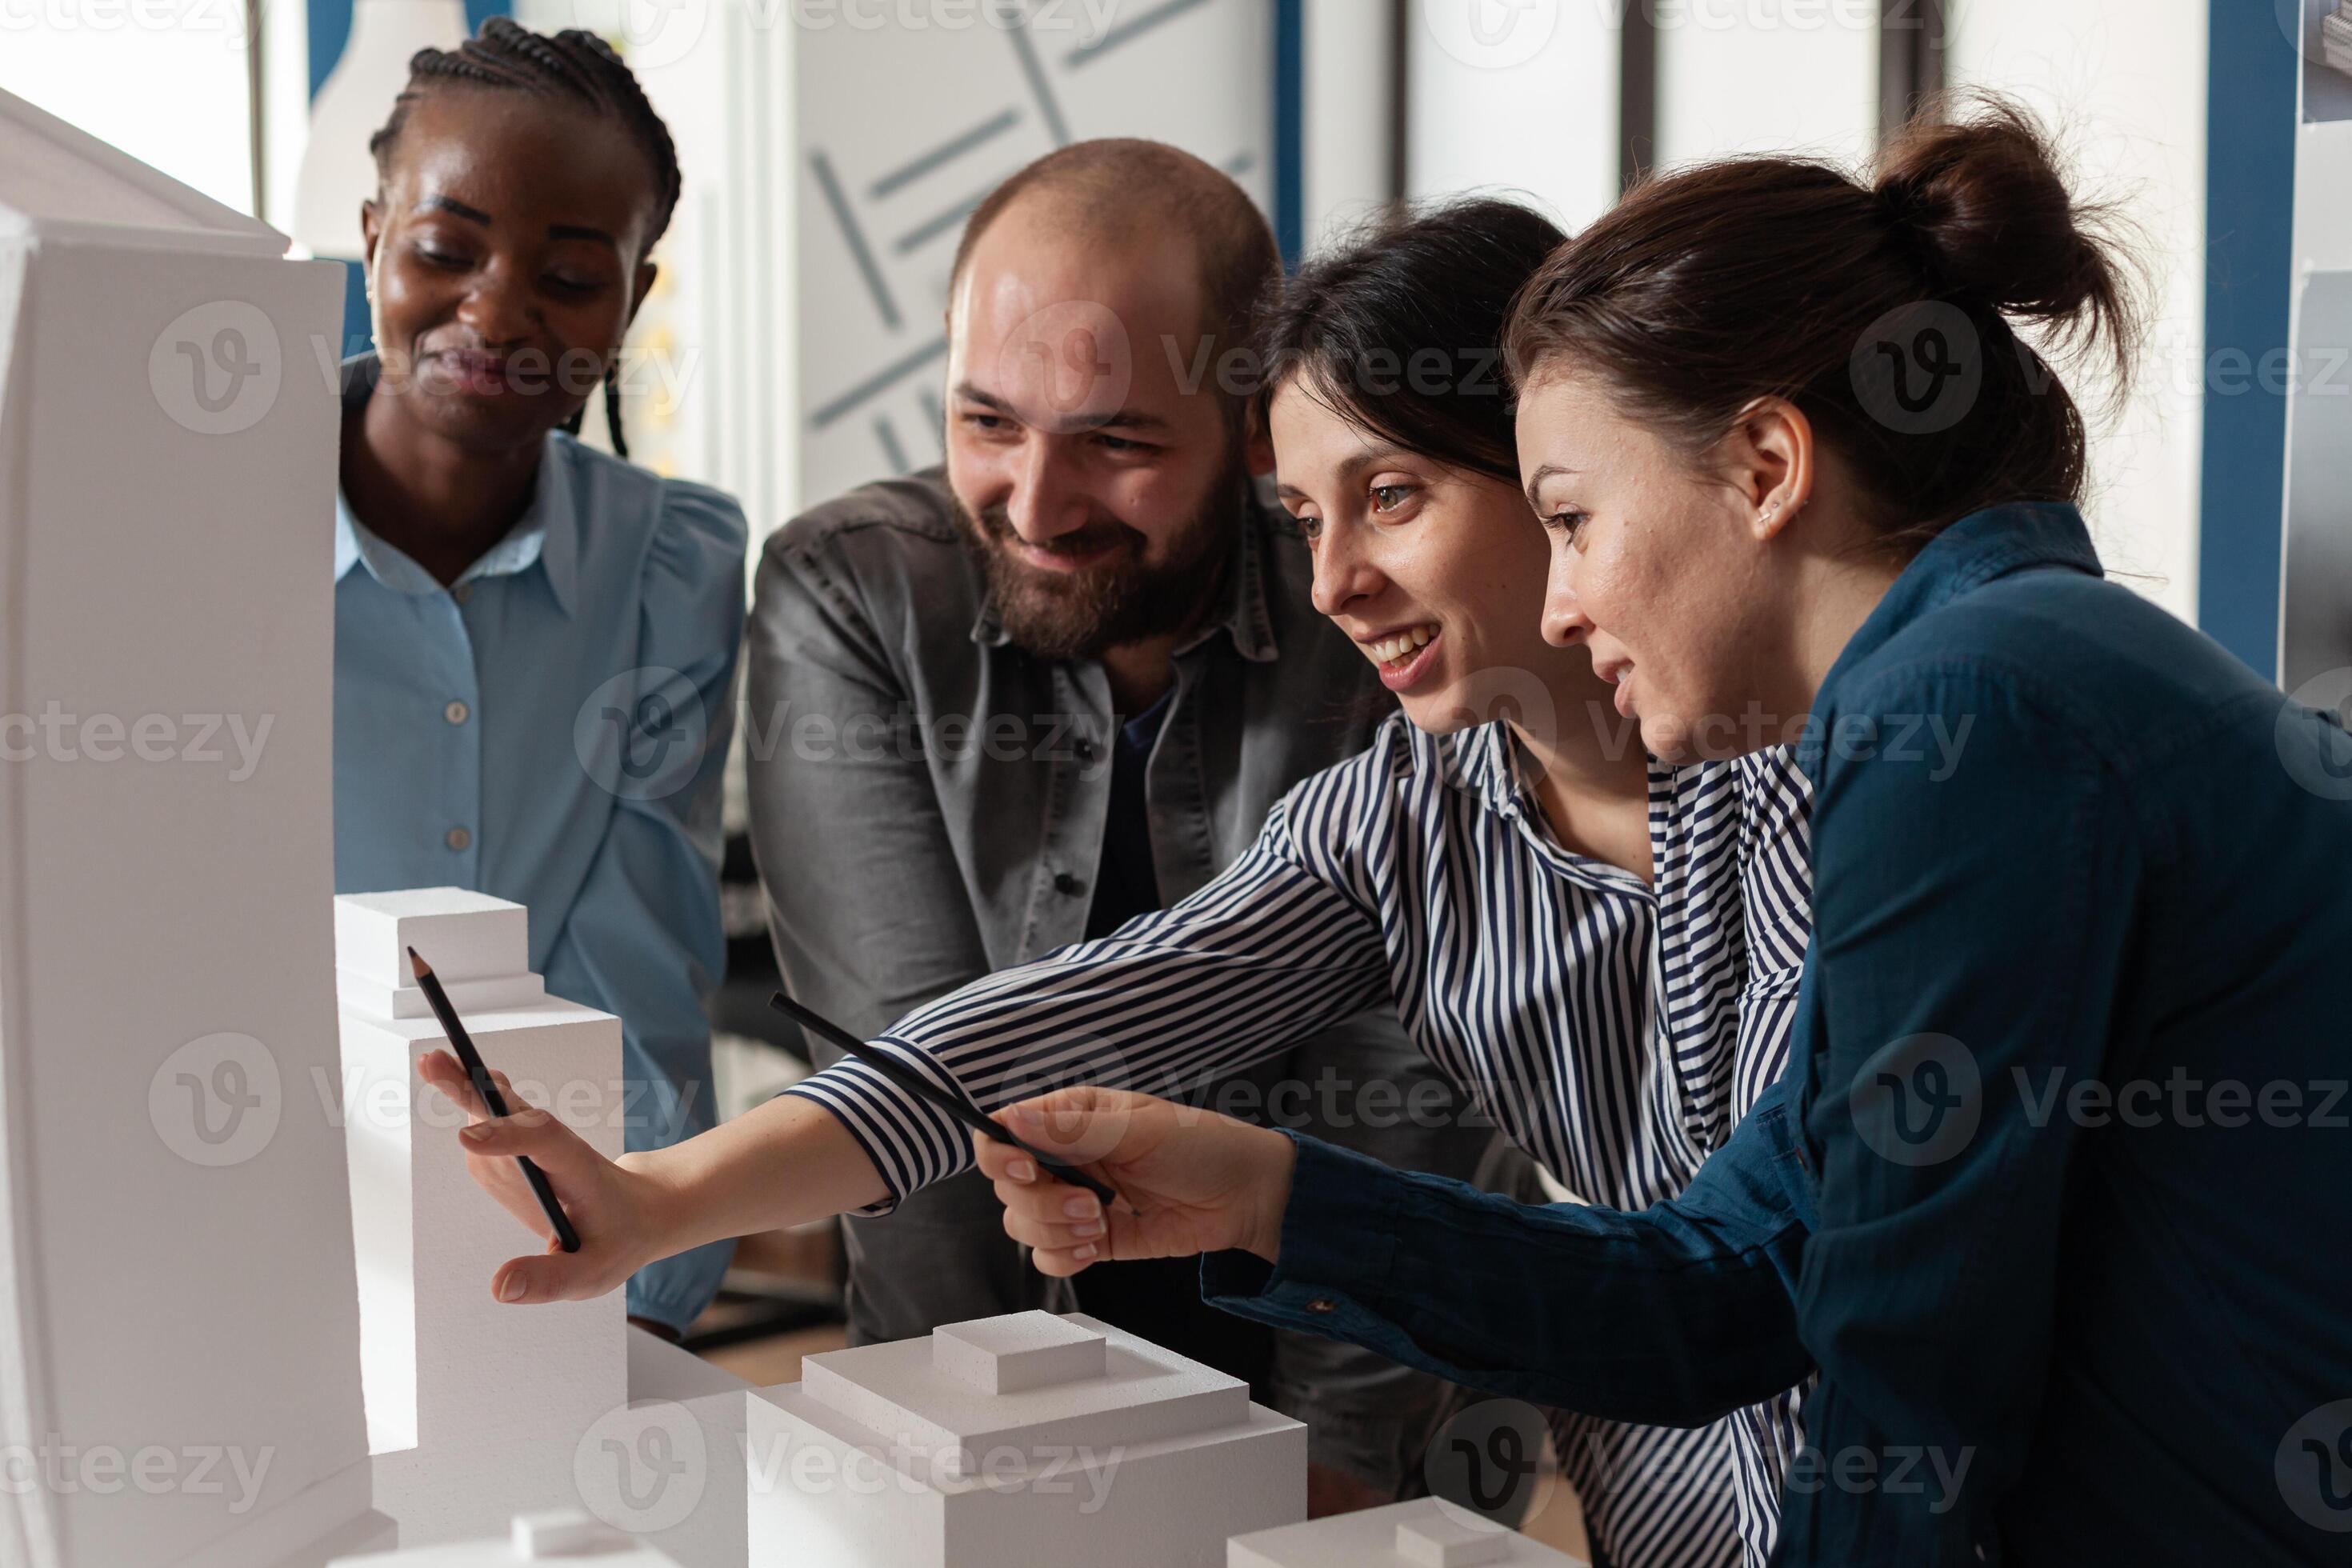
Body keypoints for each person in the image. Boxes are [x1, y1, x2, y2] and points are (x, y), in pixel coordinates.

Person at [977, 99, 2352, 1562]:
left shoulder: (1966, 713)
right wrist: (1266, 1192)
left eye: (1569, 516)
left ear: (1764, 466)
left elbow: (1907, 1387)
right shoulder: (1990, 684)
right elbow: (1736, 1280)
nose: (1563, 607)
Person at [427, 193, 1815, 1568]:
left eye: (1392, 498)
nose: (1336, 583)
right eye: (1306, 516)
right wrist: (661, 1197)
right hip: (1665, 1499)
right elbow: (1040, 1025)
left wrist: (1337, 1440)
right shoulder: (1395, 815)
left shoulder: (1821, 762)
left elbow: (1782, 1261)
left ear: (1553, 466)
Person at [738, 140, 1499, 1509]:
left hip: (1367, 1369)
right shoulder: (854, 592)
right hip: (980, 1385)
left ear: (1256, 431)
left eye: (1117, 443)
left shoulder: (1372, 603)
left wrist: (1327, 1479)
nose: (1036, 506)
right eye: (987, 424)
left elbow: (1409, 1104)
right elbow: (915, 1091)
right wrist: (968, 1482)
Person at [333, 19, 744, 1338]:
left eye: (570, 276)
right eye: (445, 251)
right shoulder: (198, 532)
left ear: (633, 298)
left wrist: (644, 1268)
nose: (497, 313)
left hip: (563, 1250)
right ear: (373, 238)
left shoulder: (672, 564)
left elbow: (640, 948)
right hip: (262, 1219)